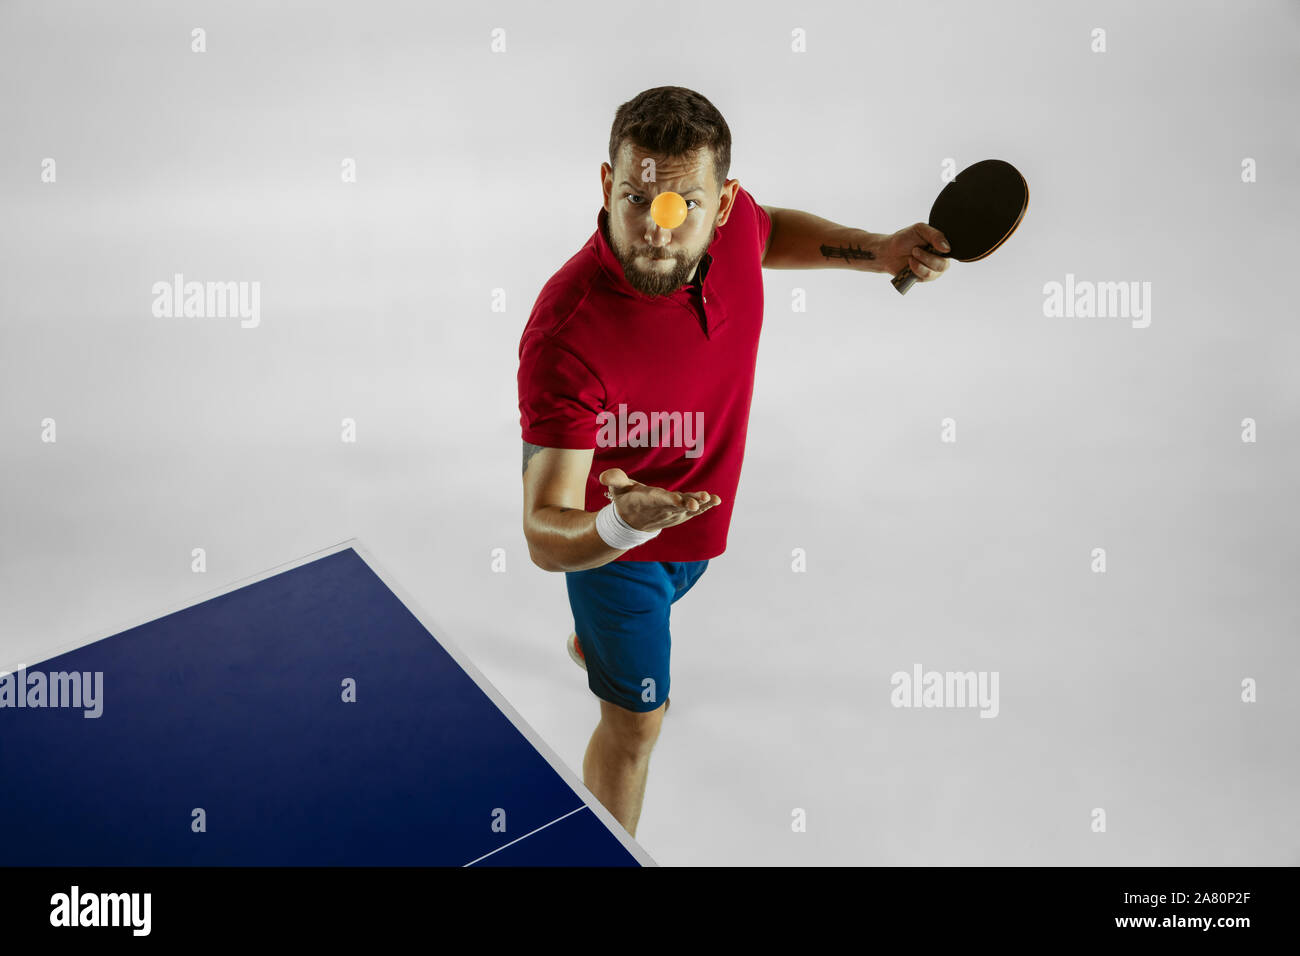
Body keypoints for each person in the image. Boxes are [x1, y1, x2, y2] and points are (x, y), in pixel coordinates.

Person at [517, 86, 949, 837]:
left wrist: (875, 250)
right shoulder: (566, 334)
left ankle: (601, 647)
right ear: (605, 186)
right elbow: (543, 534)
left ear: (722, 207)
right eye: (635, 198)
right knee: (639, 727)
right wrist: (620, 525)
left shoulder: (737, 228)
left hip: (696, 532)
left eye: (682, 205)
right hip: (617, 555)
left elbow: (772, 230)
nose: (656, 228)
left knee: (640, 636)